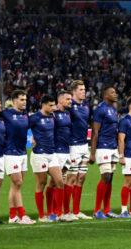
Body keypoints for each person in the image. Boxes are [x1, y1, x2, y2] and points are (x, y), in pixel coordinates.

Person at [3, 90, 35, 224]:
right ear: (14, 100)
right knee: (17, 183)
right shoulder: (6, 114)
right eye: (22, 100)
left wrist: (33, 136)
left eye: (25, 100)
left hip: (22, 153)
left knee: (16, 186)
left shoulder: (25, 114)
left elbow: (32, 126)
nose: (24, 102)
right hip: (11, 153)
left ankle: (12, 216)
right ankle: (22, 216)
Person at [31, 95, 64, 222]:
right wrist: (32, 137)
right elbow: (23, 128)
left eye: (53, 105)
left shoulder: (52, 116)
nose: (53, 107)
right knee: (42, 183)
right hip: (39, 154)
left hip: (52, 153)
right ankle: (41, 216)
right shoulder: (35, 117)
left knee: (59, 181)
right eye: (50, 105)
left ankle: (59, 214)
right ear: (43, 105)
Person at [91, 86, 120, 219]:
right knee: (106, 176)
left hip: (113, 147)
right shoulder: (100, 109)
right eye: (112, 92)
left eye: (115, 92)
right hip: (103, 146)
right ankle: (97, 210)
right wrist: (92, 153)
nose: (115, 94)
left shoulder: (114, 109)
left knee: (110, 178)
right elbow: (95, 131)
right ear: (106, 95)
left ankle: (107, 209)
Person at [66, 81, 92, 219]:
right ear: (74, 91)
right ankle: (66, 211)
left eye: (84, 89)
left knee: (81, 178)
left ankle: (76, 211)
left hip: (84, 145)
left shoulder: (86, 106)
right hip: (73, 145)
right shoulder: (70, 105)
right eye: (81, 89)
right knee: (71, 177)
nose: (84, 92)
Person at [52, 92, 74, 220]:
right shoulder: (54, 113)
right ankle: (53, 212)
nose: (70, 101)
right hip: (57, 151)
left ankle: (59, 211)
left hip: (66, 151)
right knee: (55, 182)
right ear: (60, 101)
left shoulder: (67, 113)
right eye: (68, 99)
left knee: (62, 181)